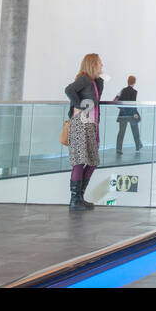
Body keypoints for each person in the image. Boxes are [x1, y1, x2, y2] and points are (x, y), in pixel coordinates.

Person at [65, 52, 105, 211]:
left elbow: (97, 98)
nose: (102, 66)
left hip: (91, 124)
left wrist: (100, 79)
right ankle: (75, 199)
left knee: (93, 160)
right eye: (100, 63)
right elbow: (69, 90)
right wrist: (80, 105)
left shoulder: (94, 82)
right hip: (81, 124)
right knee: (80, 160)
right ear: (93, 64)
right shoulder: (84, 79)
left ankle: (79, 196)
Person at [115, 75, 142, 156]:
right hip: (131, 114)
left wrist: (123, 109)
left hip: (123, 115)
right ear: (134, 82)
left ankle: (118, 149)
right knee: (135, 131)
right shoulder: (134, 92)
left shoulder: (122, 90)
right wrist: (135, 114)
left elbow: (116, 101)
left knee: (121, 133)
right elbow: (133, 104)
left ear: (128, 81)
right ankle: (138, 146)